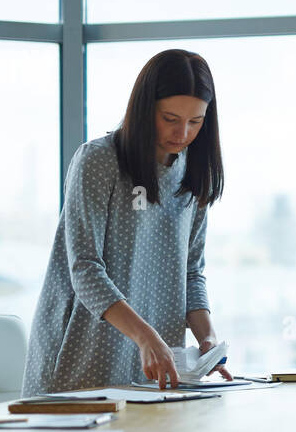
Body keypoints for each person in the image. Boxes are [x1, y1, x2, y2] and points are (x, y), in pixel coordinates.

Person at [21, 49, 231, 396]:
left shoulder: (192, 173)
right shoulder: (99, 161)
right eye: (170, 118)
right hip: (82, 354)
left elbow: (191, 272)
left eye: (195, 121)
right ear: (145, 109)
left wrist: (206, 338)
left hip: (154, 362)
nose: (182, 133)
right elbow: (86, 269)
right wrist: (146, 337)